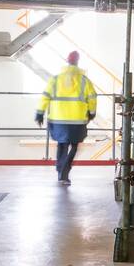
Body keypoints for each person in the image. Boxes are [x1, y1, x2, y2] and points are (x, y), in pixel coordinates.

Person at [36, 51, 97, 185]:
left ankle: (60, 171)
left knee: (62, 145)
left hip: (58, 119)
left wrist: (40, 113)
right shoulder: (84, 80)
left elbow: (45, 95)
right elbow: (92, 97)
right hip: (77, 120)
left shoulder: (56, 79)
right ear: (78, 62)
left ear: (66, 61)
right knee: (74, 146)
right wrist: (92, 113)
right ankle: (65, 171)